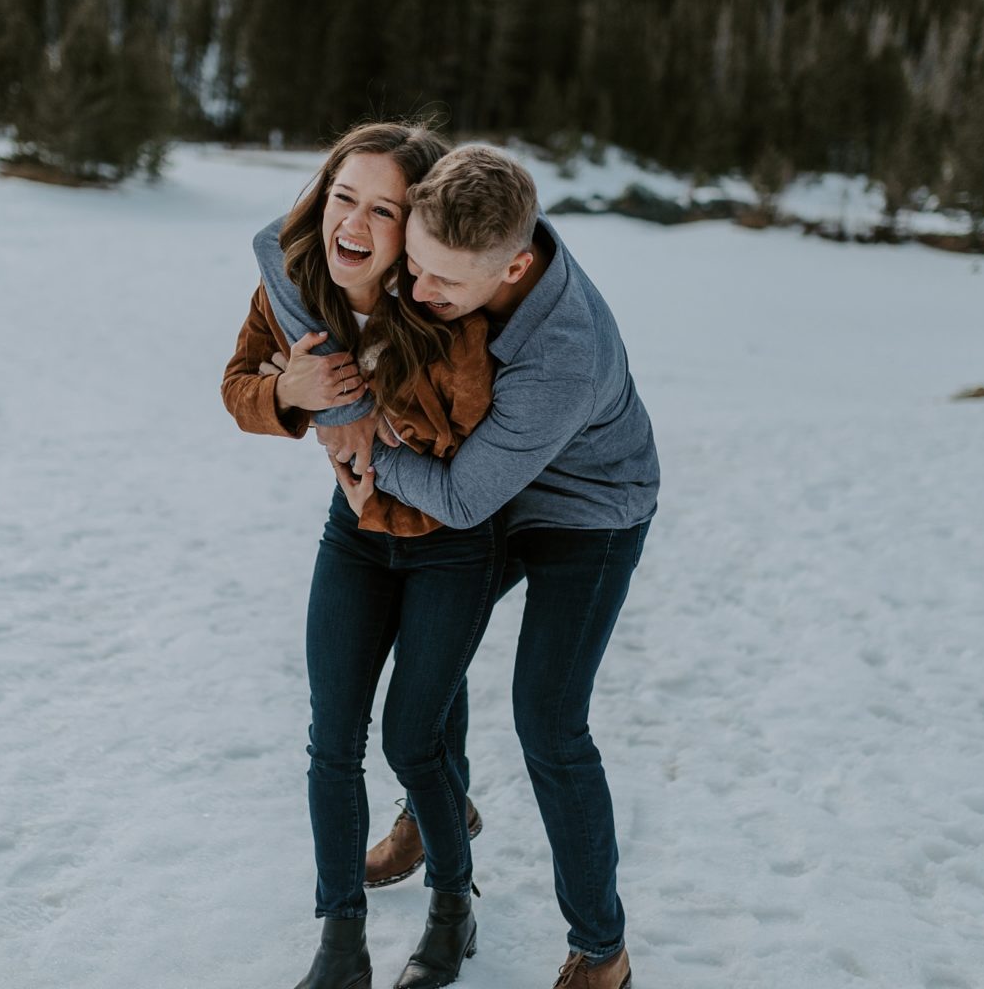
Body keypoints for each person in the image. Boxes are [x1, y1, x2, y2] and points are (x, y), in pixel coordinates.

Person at [253, 146, 659, 989]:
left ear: (514, 266)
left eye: (444, 284)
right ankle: (435, 809)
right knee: (435, 629)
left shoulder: (562, 357)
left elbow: (464, 500)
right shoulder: (471, 214)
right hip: (491, 479)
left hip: (585, 510)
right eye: (417, 269)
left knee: (550, 722)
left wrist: (354, 433)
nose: (419, 294)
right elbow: (280, 248)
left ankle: (601, 951)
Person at [221, 121, 504, 989]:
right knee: (331, 740)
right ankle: (340, 946)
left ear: (414, 228)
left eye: (384, 210)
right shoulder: (296, 286)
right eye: (345, 197)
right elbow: (239, 387)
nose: (355, 222)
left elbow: (468, 436)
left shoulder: (447, 311)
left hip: (453, 548)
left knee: (415, 740)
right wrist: (292, 393)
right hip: (355, 537)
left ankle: (454, 910)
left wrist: (370, 413)